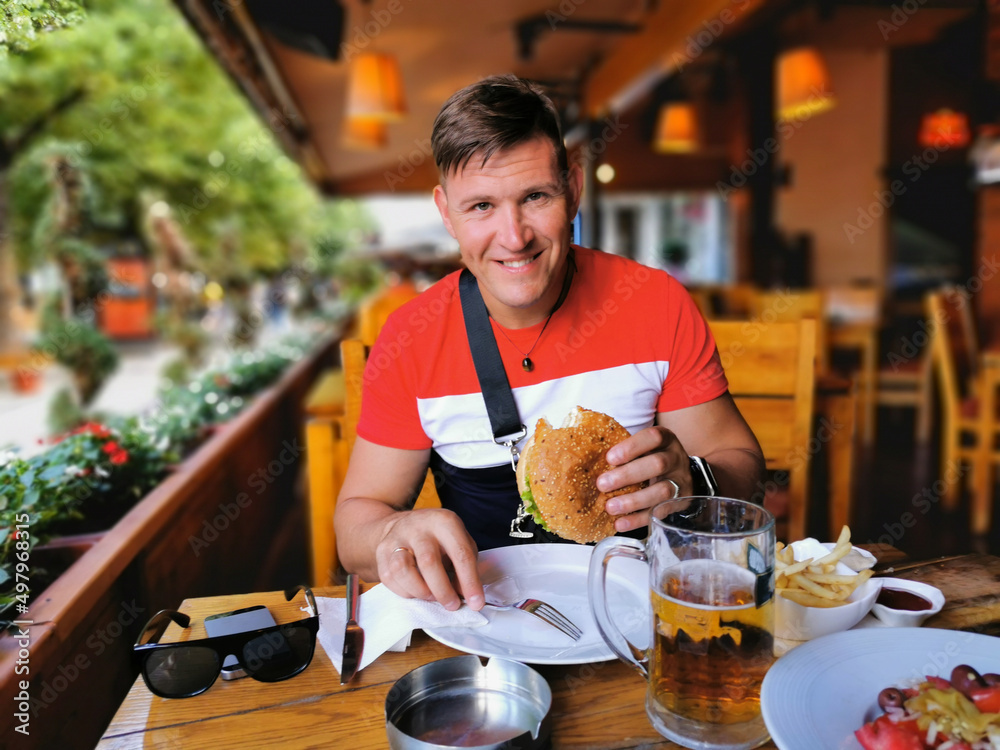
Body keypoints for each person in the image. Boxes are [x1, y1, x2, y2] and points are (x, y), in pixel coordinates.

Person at [334, 74, 764, 612]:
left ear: (573, 191)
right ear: (446, 213)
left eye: (535, 196)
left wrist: (694, 480)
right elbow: (354, 527)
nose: (514, 238)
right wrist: (390, 533)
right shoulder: (409, 338)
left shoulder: (655, 302)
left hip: (643, 618)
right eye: (481, 207)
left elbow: (743, 467)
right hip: (485, 625)